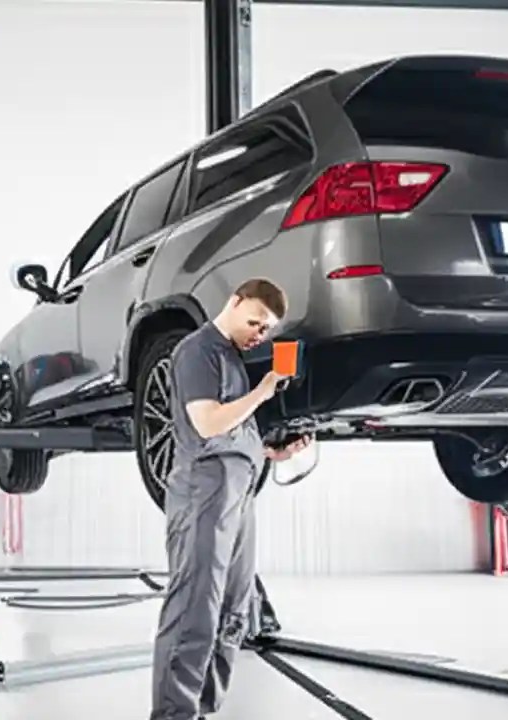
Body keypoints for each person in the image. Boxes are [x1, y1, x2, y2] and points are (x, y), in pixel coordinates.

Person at [149, 277, 312, 720]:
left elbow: (232, 434)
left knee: (232, 608)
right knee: (194, 607)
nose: (259, 334)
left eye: (266, 330)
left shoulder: (233, 359)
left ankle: (201, 709)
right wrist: (263, 391)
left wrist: (274, 452)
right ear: (234, 302)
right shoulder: (198, 350)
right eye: (255, 322)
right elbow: (205, 424)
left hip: (238, 491)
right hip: (204, 491)